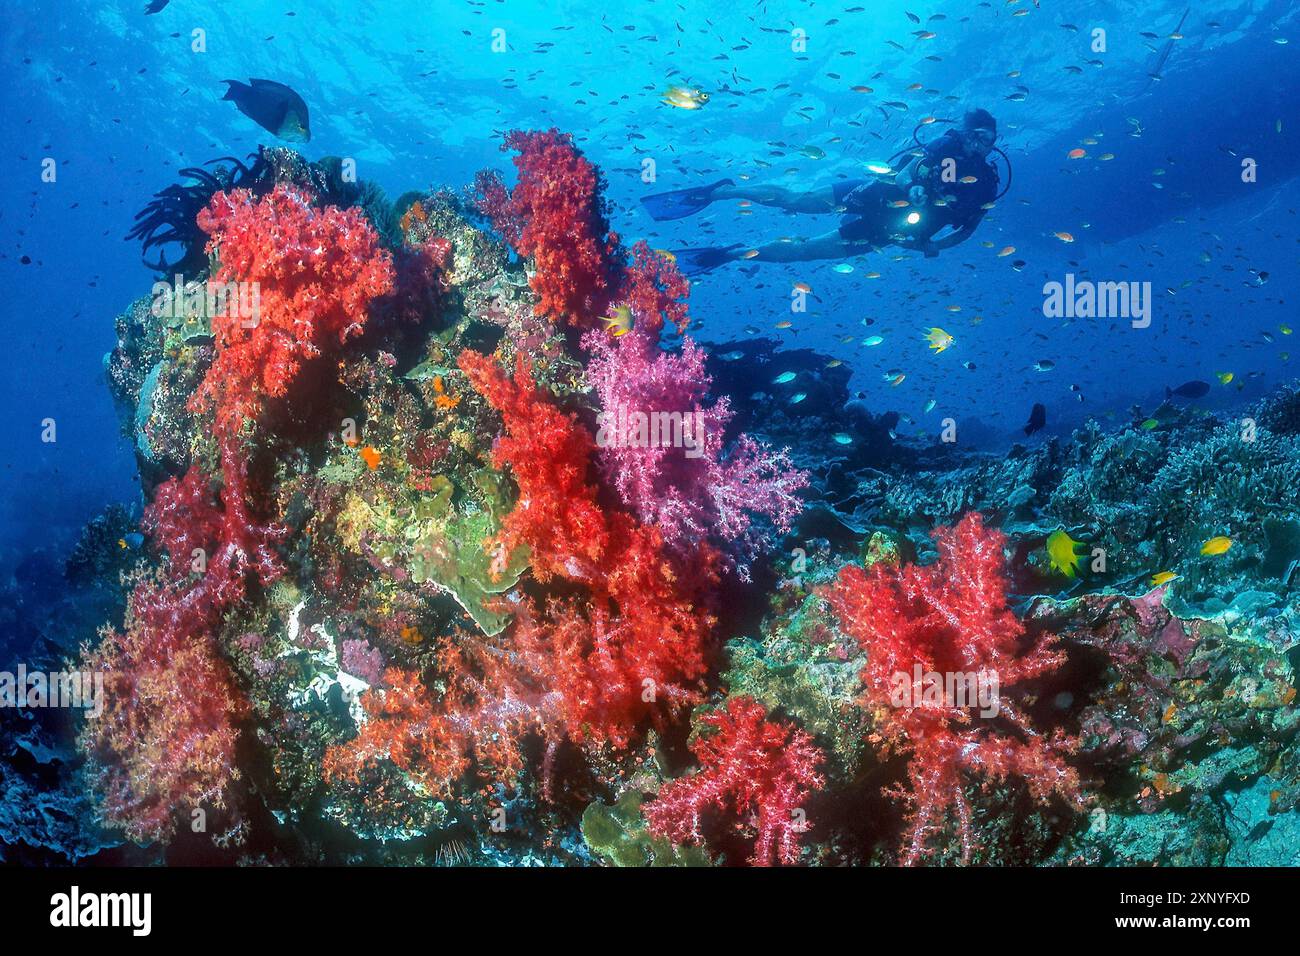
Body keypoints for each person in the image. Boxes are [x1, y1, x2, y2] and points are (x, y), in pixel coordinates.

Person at [641, 109, 1002, 275]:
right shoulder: (944, 146)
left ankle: (731, 254)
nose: (979, 144)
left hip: (891, 232)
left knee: (806, 251)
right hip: (875, 192)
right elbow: (907, 169)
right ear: (962, 131)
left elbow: (967, 231)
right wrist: (911, 188)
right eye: (975, 135)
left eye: (988, 139)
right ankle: (723, 192)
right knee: (797, 201)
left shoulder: (987, 182)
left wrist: (934, 245)